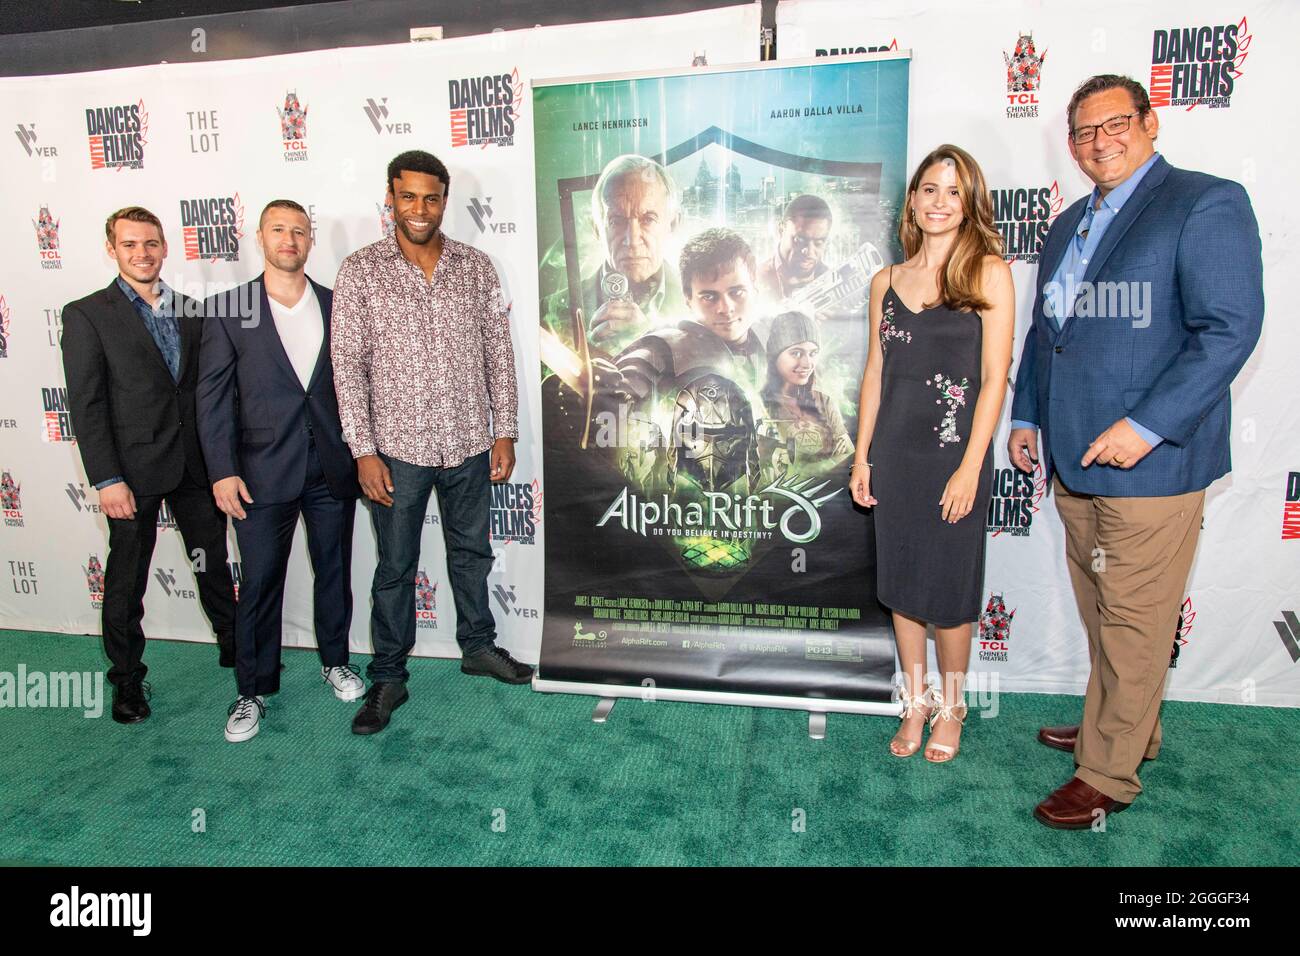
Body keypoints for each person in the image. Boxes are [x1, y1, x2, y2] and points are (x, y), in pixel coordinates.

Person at [1007, 75, 1263, 828]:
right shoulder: (1066, 225)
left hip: (1152, 463)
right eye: (1083, 132)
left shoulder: (1203, 202)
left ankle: (1108, 772)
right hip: (1071, 454)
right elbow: (1045, 334)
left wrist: (1147, 425)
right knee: (1102, 609)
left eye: (1115, 123)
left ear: (1150, 123)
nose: (1099, 142)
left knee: (1136, 618)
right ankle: (1123, 726)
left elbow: (1229, 329)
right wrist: (1026, 415)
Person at [331, 150, 532, 736]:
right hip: (396, 450)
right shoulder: (360, 272)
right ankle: (389, 675)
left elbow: (498, 352)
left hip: (469, 441)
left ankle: (478, 647)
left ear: (446, 200)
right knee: (396, 567)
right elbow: (348, 367)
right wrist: (363, 450)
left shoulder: (477, 267)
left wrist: (505, 430)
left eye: (432, 197)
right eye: (409, 196)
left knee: (472, 553)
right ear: (390, 199)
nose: (420, 209)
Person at [850, 146, 1014, 762]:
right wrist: (863, 456)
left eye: (952, 191)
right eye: (928, 189)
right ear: (912, 201)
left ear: (969, 202)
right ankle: (913, 701)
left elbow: (995, 378)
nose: (939, 202)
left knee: (946, 590)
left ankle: (953, 705)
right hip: (895, 456)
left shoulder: (988, 273)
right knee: (901, 586)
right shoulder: (885, 283)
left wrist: (971, 466)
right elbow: (874, 373)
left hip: (954, 459)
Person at [60, 206, 237, 724]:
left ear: (165, 248)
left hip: (194, 468)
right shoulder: (87, 314)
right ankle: (127, 682)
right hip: (131, 476)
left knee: (213, 564)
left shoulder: (190, 310)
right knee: (127, 578)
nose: (142, 253)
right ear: (112, 249)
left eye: (151, 244)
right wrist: (107, 478)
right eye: (131, 244)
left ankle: (234, 644)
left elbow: (203, 391)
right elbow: (86, 405)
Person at [197, 199, 364, 744]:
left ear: (310, 241)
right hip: (258, 475)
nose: (289, 239)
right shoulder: (228, 310)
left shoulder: (336, 305)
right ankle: (252, 690)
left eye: (299, 231)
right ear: (259, 237)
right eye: (278, 230)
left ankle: (336, 661)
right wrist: (222, 472)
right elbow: (213, 400)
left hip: (331, 471)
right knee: (261, 584)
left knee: (334, 573)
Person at [542, 154, 684, 353]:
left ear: (672, 224)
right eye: (616, 221)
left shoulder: (704, 307)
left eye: (648, 219)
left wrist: (649, 342)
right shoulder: (551, 313)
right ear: (597, 229)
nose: (632, 240)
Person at [758, 311, 853, 476]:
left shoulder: (823, 401)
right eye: (796, 353)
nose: (807, 363)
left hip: (831, 496)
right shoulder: (757, 404)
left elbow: (849, 458)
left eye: (813, 353)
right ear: (774, 356)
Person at [757, 194, 833, 301]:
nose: (809, 252)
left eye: (818, 243)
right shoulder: (754, 280)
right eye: (799, 240)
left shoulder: (831, 280)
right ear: (781, 230)